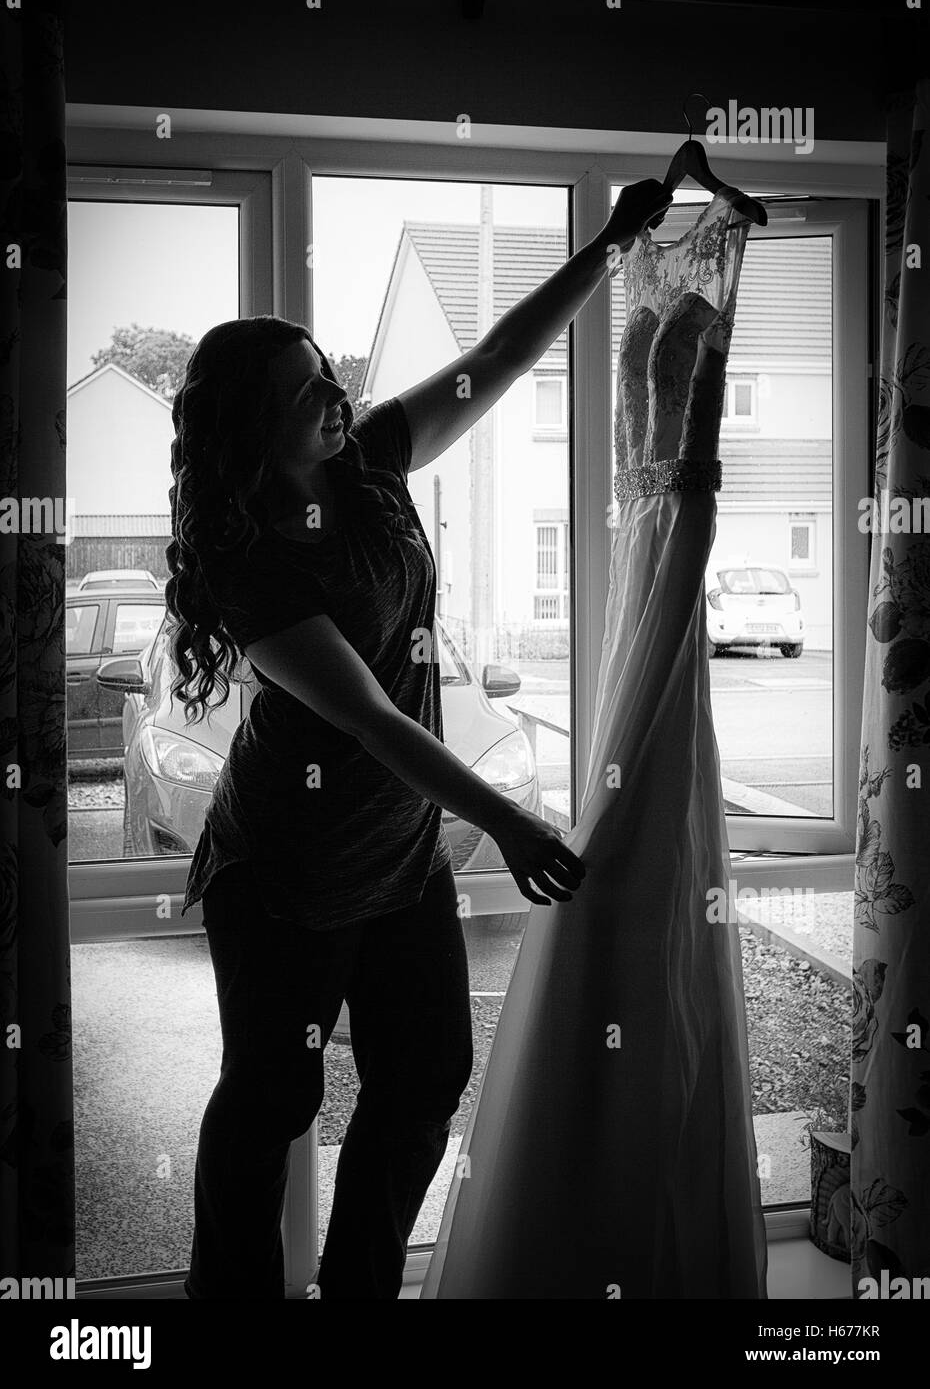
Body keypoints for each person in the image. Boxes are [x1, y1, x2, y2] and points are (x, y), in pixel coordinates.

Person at [168, 179, 672, 1300]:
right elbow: (372, 718)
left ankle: (359, 1294)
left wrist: (605, 244)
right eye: (309, 393)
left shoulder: (371, 462)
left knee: (424, 1080)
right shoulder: (255, 563)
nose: (338, 397)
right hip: (288, 873)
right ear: (259, 427)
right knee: (268, 1105)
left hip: (397, 863)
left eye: (331, 374)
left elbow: (493, 359)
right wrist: (508, 817)